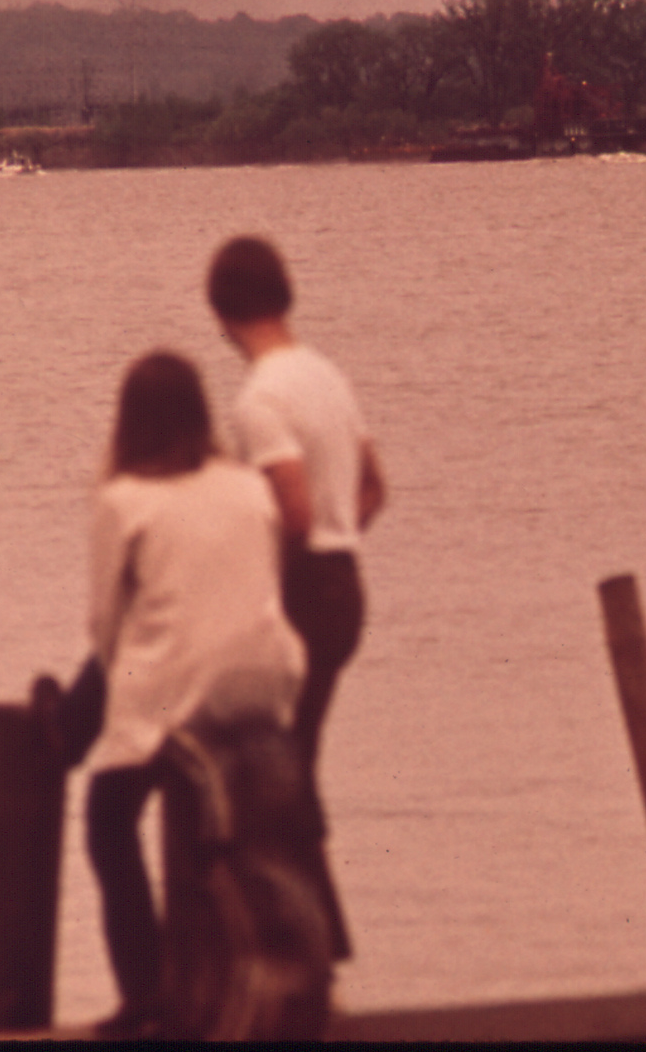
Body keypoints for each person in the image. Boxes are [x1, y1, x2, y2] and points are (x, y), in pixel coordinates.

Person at [79, 350, 305, 1037]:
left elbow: (105, 629)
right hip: (269, 680)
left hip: (180, 699)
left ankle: (145, 995)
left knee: (107, 818)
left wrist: (106, 703)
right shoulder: (247, 486)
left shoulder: (121, 502)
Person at [206, 235, 384, 962]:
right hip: (346, 584)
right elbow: (374, 486)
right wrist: (344, 532)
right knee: (292, 759)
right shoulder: (326, 375)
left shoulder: (259, 399)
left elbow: (294, 510)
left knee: (274, 766)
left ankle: (306, 944)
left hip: (303, 590)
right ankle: (322, 939)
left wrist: (256, 591)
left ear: (221, 314)